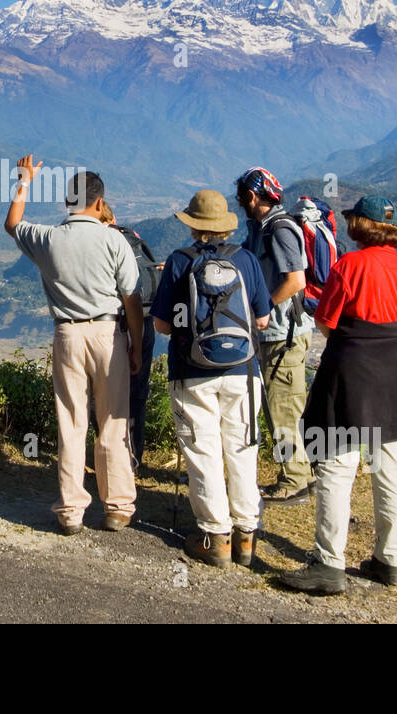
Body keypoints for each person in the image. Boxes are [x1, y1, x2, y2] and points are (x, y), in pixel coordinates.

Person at [281, 195, 397, 595]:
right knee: (390, 470)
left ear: (359, 226)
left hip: (349, 378)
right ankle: (390, 560)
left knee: (336, 467)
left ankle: (329, 565)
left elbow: (326, 322)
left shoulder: (349, 266)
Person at [4, 156, 142, 534]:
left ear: (68, 202)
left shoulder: (49, 239)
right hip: (108, 335)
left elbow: (12, 224)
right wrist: (136, 347)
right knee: (113, 422)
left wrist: (24, 180)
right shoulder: (114, 240)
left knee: (71, 423)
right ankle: (116, 507)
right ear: (100, 203)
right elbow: (131, 299)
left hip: (67, 335)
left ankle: (70, 511)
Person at [151, 190, 272, 567]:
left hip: (192, 373)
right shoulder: (247, 260)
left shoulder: (178, 262)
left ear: (193, 225)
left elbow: (162, 325)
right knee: (242, 448)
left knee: (203, 452)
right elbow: (263, 320)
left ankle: (214, 537)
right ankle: (246, 535)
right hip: (243, 372)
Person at [235, 166, 314, 504]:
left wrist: (262, 309)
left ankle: (295, 480)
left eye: (241, 199)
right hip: (275, 333)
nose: (240, 205)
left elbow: (296, 280)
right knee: (277, 405)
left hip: (284, 333)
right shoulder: (262, 229)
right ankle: (295, 473)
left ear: (252, 197)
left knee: (283, 409)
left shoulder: (280, 230)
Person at [100, 201, 160, 469]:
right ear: (115, 217)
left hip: (117, 324)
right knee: (137, 389)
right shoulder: (132, 237)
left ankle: (112, 453)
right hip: (146, 322)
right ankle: (134, 455)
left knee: (104, 390)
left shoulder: (104, 242)